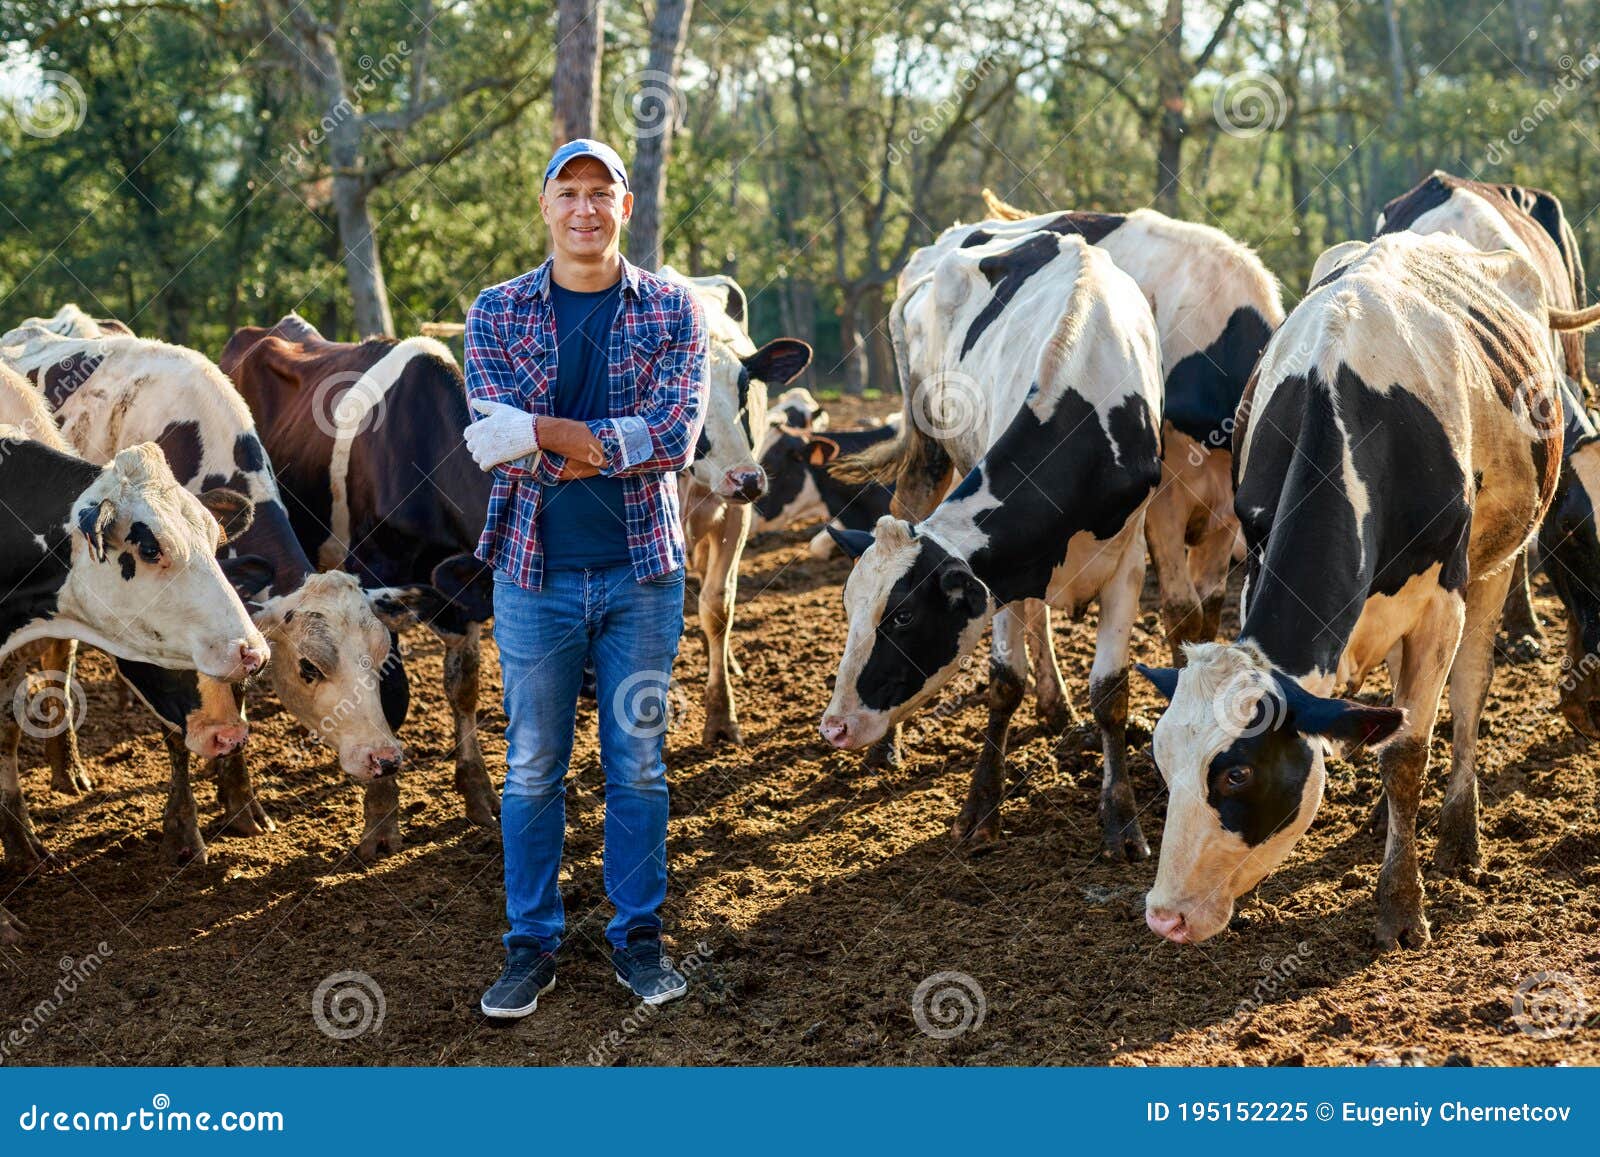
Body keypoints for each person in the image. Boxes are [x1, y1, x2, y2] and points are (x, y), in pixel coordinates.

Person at [461, 138, 708, 1018]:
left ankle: (638, 938)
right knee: (532, 765)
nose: (584, 210)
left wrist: (546, 432)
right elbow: (493, 444)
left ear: (625, 207)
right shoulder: (496, 312)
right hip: (535, 578)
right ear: (545, 206)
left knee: (638, 763)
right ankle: (530, 946)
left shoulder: (675, 309)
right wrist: (603, 444)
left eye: (601, 193)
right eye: (568, 193)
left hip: (644, 576)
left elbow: (674, 437)